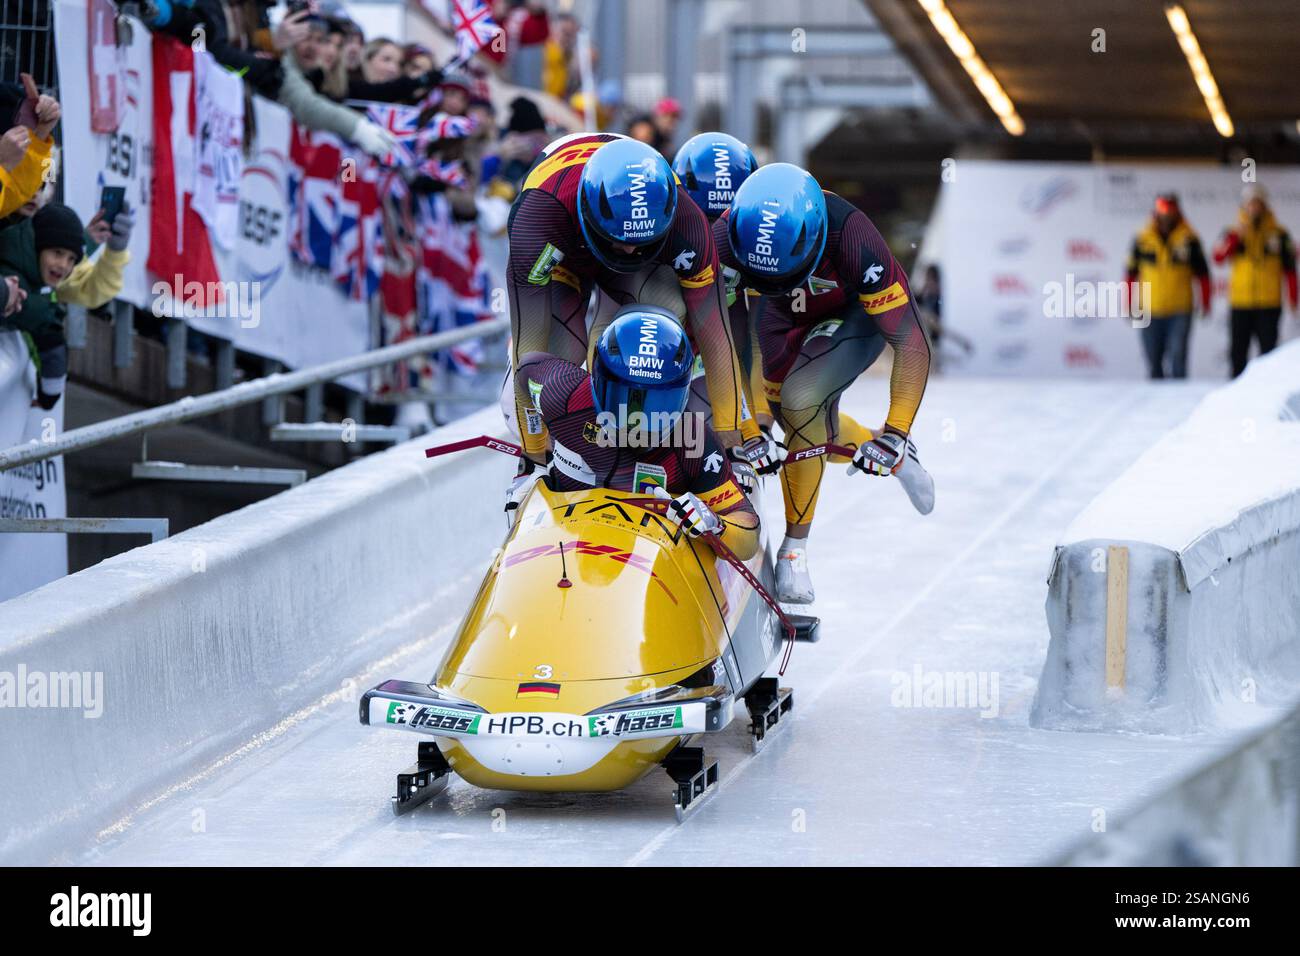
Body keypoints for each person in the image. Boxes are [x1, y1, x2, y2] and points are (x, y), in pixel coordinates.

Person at [714, 163, 935, 604]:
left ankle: (794, 551)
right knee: (804, 430)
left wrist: (897, 430)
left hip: (849, 314)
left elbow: (911, 343)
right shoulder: (725, 238)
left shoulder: (853, 238)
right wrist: (750, 425)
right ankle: (893, 458)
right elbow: (724, 340)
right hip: (775, 318)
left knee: (801, 401)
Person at [504, 133, 758, 478]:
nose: (628, 251)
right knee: (558, 355)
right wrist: (533, 452)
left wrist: (732, 437)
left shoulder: (687, 222)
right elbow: (528, 350)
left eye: (641, 241)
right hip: (564, 252)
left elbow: (715, 333)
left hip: (635, 270)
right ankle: (569, 436)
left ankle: (626, 433)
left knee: (659, 323)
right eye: (619, 241)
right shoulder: (538, 217)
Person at [515, 307, 759, 559]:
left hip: (650, 560)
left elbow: (748, 535)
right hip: (564, 546)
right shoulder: (565, 395)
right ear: (599, 384)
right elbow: (524, 371)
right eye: (627, 401)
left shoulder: (693, 441)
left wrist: (716, 525)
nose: (639, 425)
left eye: (658, 405)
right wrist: (533, 458)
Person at [671, 132, 770, 450]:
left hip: (715, 348)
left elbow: (755, 342)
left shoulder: (758, 239)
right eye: (704, 220)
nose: (713, 237)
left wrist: (757, 423)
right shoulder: (662, 232)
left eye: (727, 222)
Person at [0, 203, 85, 409]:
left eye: (71, 259)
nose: (63, 265)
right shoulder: (19, 282)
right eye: (57, 252)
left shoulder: (28, 274)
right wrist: (50, 394)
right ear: (37, 246)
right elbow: (50, 337)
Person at [1213, 184, 1297, 377]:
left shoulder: (1279, 234)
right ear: (1244, 206)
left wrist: (1293, 299)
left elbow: (1290, 270)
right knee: (1238, 352)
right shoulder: (1232, 232)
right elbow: (1218, 257)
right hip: (1241, 303)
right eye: (1250, 204)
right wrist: (1237, 236)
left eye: (1258, 203)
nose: (1254, 208)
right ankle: (1235, 391)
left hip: (1269, 302)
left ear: (1265, 205)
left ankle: (1266, 392)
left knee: (1269, 353)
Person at [1124, 193, 1210, 380]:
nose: (1166, 213)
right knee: (1153, 361)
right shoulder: (1142, 239)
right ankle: (1155, 407)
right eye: (1162, 208)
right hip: (1149, 309)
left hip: (1180, 309)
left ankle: (1180, 405)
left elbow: (1203, 275)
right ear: (1155, 210)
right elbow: (1130, 274)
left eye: (1170, 209)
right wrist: (1128, 303)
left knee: (1178, 358)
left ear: (1178, 211)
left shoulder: (1190, 239)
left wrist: (1206, 303)